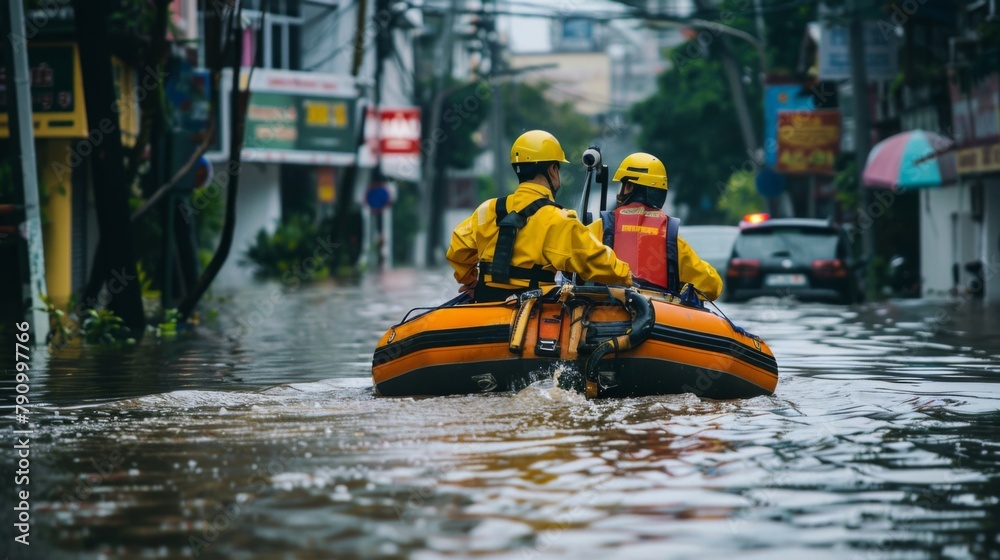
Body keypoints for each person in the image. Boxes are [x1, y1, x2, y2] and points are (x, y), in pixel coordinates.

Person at [446, 130, 634, 302]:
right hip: (534, 309)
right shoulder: (558, 219)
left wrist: (470, 281)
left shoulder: (487, 209)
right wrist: (627, 276)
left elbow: (458, 250)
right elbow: (594, 260)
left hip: (485, 303)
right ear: (552, 170)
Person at [590, 152, 723, 301]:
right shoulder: (671, 238)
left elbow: (571, 260)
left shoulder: (600, 227)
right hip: (659, 316)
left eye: (623, 186)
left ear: (628, 186)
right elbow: (712, 287)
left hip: (605, 312)